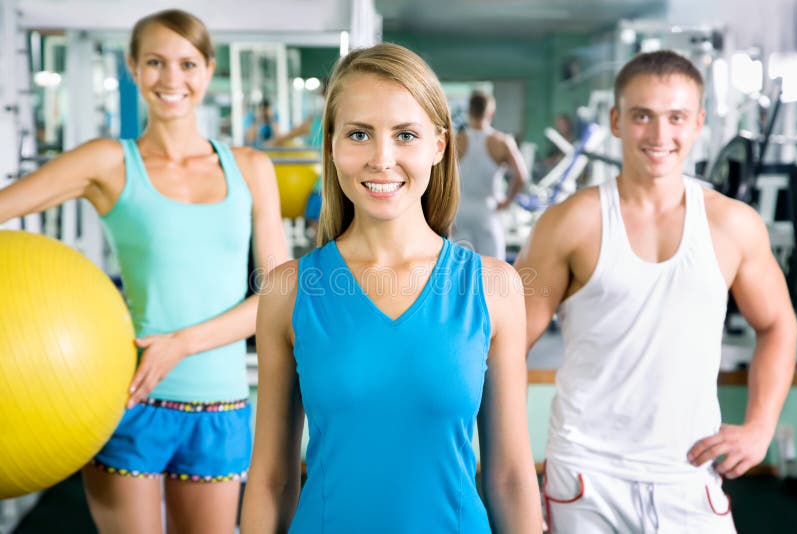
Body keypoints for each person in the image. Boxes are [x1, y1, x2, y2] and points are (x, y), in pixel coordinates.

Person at [0, 9, 289, 533]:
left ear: (207, 69)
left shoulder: (251, 167)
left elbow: (278, 295)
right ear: (133, 68)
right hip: (130, 396)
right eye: (155, 62)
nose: (171, 79)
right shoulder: (110, 162)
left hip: (221, 405)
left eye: (186, 63)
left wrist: (181, 342)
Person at [240, 43, 541, 533]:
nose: (382, 159)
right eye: (359, 134)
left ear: (439, 146)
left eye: (405, 135)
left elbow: (508, 477)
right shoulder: (288, 292)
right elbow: (272, 479)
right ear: (332, 143)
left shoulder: (494, 288)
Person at [514, 49, 797, 533]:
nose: (660, 135)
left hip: (688, 471)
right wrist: (514, 474)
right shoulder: (569, 223)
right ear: (616, 120)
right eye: (643, 115)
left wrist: (760, 427)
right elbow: (506, 343)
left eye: (676, 118)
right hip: (587, 473)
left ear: (698, 123)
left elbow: (777, 324)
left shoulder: (732, 224)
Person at [451, 89, 528, 259]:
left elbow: (441, 179)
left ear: (469, 111)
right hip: (487, 211)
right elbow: (521, 176)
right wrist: (506, 202)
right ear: (490, 112)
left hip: (460, 212)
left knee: (462, 271)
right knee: (491, 273)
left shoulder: (456, 140)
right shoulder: (502, 142)